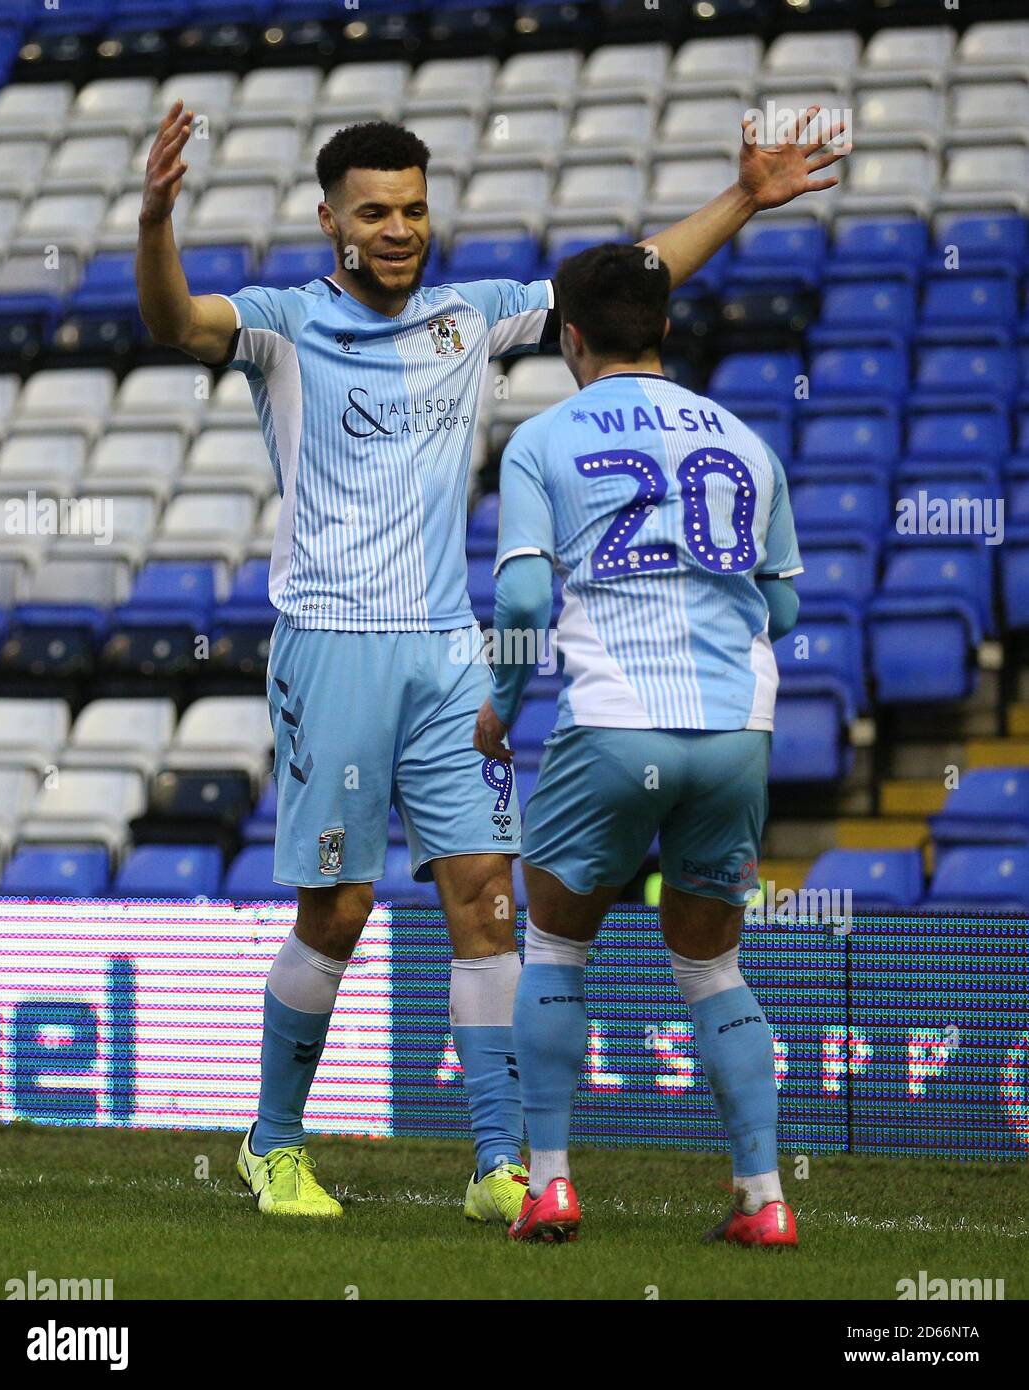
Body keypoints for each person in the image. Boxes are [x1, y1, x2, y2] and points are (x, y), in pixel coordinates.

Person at [137, 101, 842, 1224]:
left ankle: (498, 1162)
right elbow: (176, 321)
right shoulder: (281, 323)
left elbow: (632, 279)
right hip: (331, 645)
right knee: (341, 906)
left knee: (486, 901)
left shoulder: (471, 318)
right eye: (375, 211)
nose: (400, 228)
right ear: (331, 221)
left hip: (450, 654)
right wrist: (156, 222)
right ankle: (270, 1145)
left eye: (414, 207)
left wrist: (746, 199)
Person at [474, 242, 803, 1246]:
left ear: (567, 337)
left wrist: (500, 701)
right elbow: (781, 605)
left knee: (555, 943)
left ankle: (552, 1183)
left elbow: (526, 594)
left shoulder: (542, 439)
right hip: (737, 723)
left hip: (615, 715)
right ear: (661, 328)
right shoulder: (746, 441)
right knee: (710, 965)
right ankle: (762, 1196)